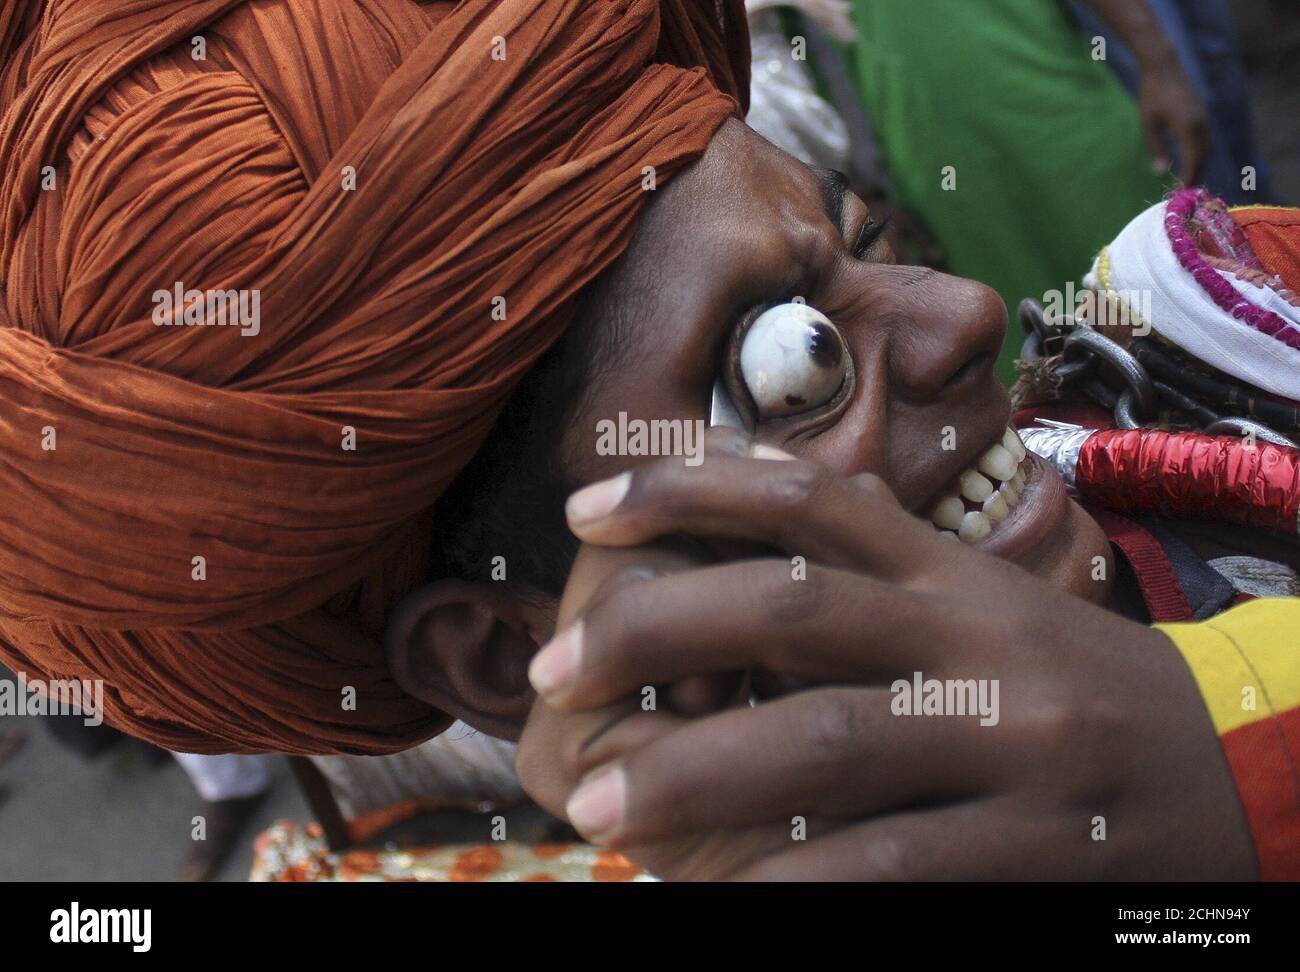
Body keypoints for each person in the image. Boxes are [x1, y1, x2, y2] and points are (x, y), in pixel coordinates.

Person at [0, 0, 1294, 880]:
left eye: (867, 238)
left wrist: (1238, 752)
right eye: (797, 361)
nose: (970, 315)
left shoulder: (1239, 325)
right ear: (518, 655)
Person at [848, 0, 1213, 380]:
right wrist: (869, 197)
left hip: (1062, 125)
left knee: (1165, 324)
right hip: (943, 176)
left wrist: (1160, 65)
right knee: (1038, 372)